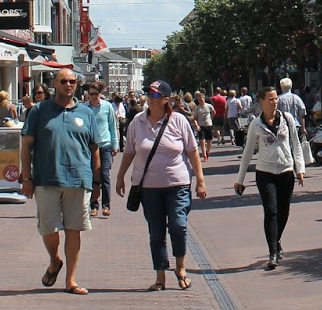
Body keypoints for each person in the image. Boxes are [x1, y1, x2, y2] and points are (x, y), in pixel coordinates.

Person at [116, 80, 206, 291]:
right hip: (149, 187)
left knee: (178, 225)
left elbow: (192, 151)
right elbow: (129, 151)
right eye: (149, 94)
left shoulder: (179, 121)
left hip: (178, 184)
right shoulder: (137, 122)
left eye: (155, 95)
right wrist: (120, 176)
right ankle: (160, 276)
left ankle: (181, 268)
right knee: (156, 232)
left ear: (166, 99)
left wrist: (200, 180)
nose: (150, 98)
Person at [19, 70, 98, 295]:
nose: (68, 85)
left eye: (72, 81)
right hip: (46, 178)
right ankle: (54, 260)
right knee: (49, 229)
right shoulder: (39, 111)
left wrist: (97, 181)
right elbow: (26, 146)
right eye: (63, 81)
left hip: (79, 179)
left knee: (75, 230)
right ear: (55, 84)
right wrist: (27, 178)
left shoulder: (86, 112)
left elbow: (95, 150)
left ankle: (70, 280)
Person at [234, 86, 307, 270]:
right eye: (271, 99)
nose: (275, 102)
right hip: (265, 173)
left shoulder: (287, 119)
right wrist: (240, 179)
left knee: (284, 211)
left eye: (276, 99)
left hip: (286, 171)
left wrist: (300, 168)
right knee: (271, 211)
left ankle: (277, 239)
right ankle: (273, 252)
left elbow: (296, 144)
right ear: (261, 102)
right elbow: (248, 151)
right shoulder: (255, 124)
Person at [84, 83, 118, 217]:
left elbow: (112, 126)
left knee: (104, 175)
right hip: (89, 146)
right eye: (90, 94)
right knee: (92, 176)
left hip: (104, 145)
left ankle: (106, 205)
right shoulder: (84, 108)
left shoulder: (107, 107)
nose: (93, 97)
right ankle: (93, 205)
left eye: (95, 94)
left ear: (100, 94)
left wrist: (115, 144)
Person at [192, 92, 215, 161]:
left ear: (204, 99)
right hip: (201, 126)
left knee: (209, 140)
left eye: (202, 99)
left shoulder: (209, 106)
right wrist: (196, 125)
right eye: (199, 100)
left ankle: (207, 152)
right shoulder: (197, 108)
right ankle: (204, 155)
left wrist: (211, 118)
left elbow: (213, 112)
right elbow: (194, 118)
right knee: (202, 140)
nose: (201, 101)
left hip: (208, 124)